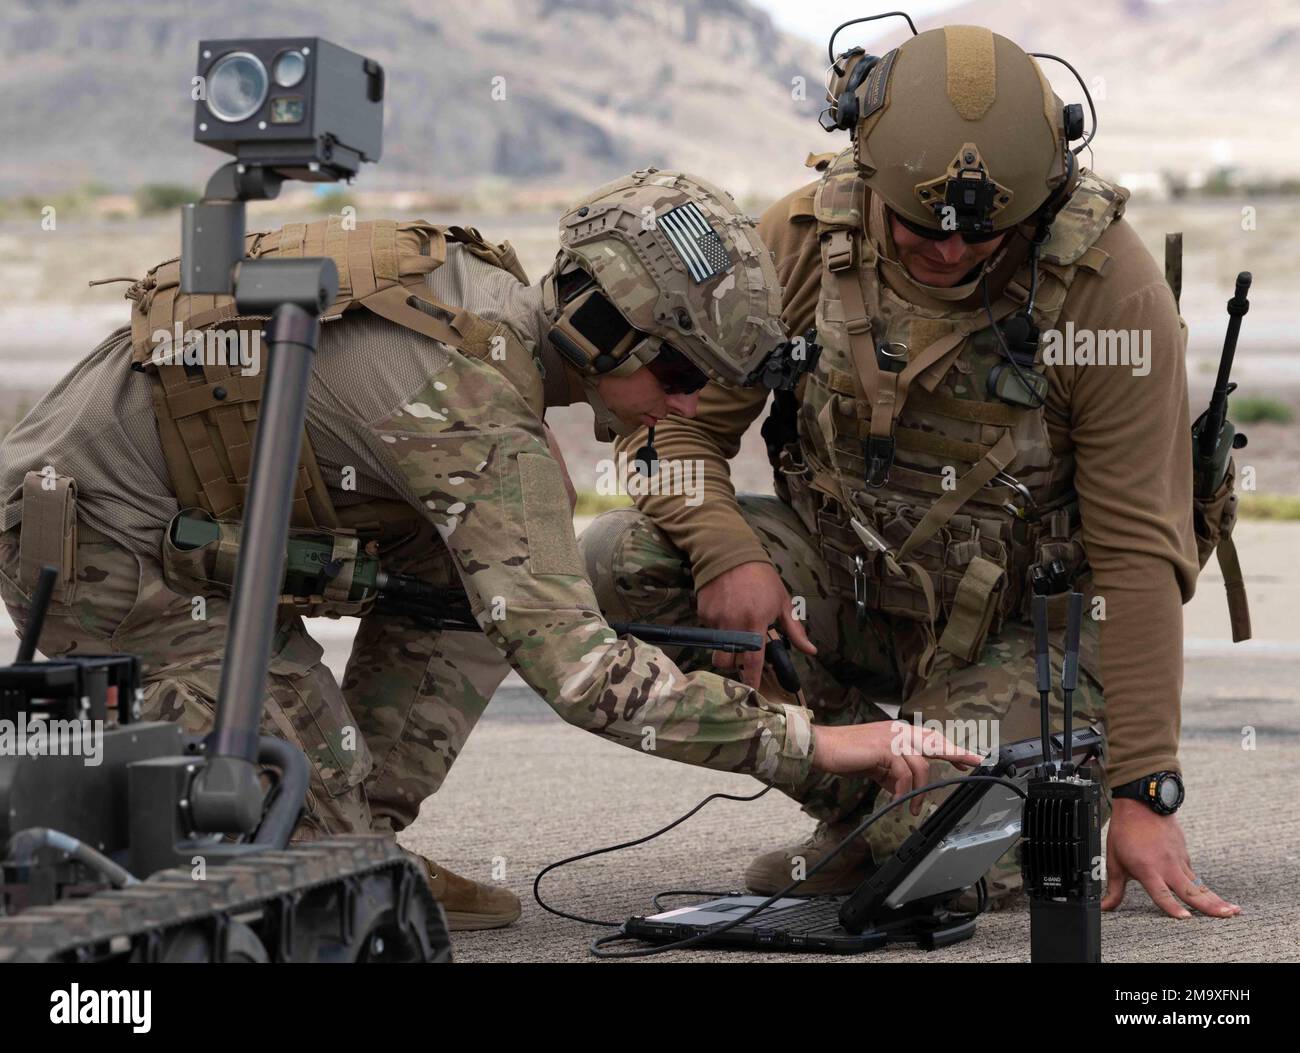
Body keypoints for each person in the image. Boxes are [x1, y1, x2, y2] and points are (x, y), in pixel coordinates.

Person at [0, 169, 979, 931]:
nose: (689, 405)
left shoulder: (491, 308)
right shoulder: (477, 417)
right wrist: (818, 742)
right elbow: (584, 676)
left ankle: (352, 825)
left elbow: (500, 547)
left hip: (196, 513)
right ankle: (322, 833)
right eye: (680, 372)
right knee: (309, 878)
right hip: (99, 541)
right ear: (599, 331)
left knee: (489, 570)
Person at [580, 26, 1242, 920]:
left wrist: (1145, 789)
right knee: (621, 562)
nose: (948, 250)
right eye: (918, 224)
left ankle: (983, 812)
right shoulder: (805, 241)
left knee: (923, 846)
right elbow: (670, 430)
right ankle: (862, 807)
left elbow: (1137, 556)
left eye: (984, 232)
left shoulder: (1109, 289)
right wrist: (724, 551)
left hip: (1030, 634)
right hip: (851, 595)